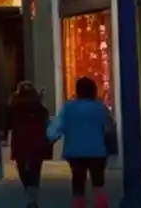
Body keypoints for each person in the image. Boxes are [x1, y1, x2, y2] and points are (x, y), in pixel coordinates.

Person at [48, 76, 115, 208]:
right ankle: (101, 204)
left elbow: (58, 126)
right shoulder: (100, 107)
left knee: (78, 181)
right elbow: (108, 128)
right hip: (97, 149)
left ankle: (78, 205)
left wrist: (50, 139)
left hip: (75, 150)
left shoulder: (69, 107)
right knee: (98, 182)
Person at [6, 81, 52, 208]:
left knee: (21, 166)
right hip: (37, 140)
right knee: (36, 168)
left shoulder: (14, 108)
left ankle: (27, 189)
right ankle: (33, 193)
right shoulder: (40, 109)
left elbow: (8, 124)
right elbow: (47, 124)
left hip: (20, 140)